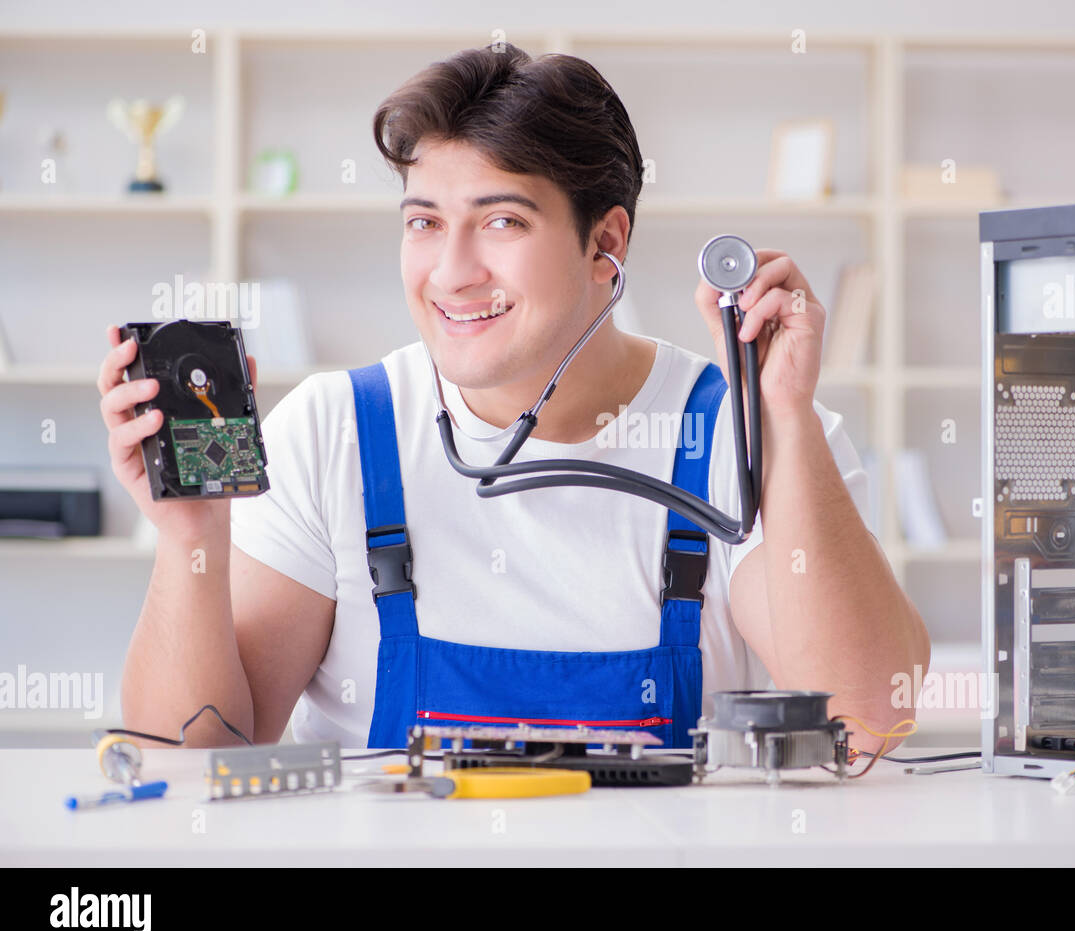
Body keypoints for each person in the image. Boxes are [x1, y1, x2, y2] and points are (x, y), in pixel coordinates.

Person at [96, 43, 929, 752]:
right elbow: (190, 761)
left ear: (606, 243)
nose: (452, 271)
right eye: (424, 222)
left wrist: (780, 416)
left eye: (500, 222)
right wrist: (189, 537)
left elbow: (869, 716)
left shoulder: (736, 436)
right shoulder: (335, 432)